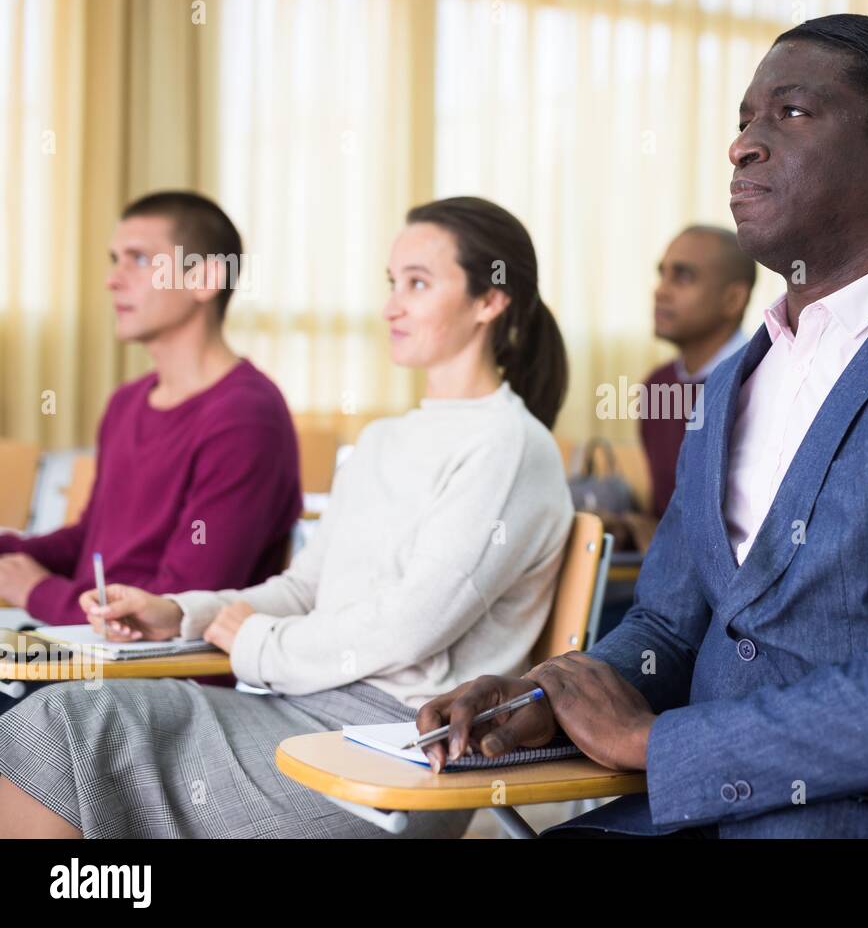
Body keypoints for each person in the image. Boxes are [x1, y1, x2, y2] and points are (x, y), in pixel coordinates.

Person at [416, 14, 868, 839]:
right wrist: (552, 696)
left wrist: (656, 741)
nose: (742, 146)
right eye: (744, 120)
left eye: (790, 113)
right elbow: (668, 624)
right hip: (720, 811)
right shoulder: (744, 369)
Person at [0, 197, 574, 838]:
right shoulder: (384, 440)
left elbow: (410, 627)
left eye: (417, 283)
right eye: (391, 283)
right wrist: (184, 612)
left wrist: (253, 645)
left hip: (395, 747)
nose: (391, 306)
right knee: (45, 723)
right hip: (297, 704)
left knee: (64, 730)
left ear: (489, 300)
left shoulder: (510, 447)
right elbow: (305, 590)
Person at [0, 192, 300, 624]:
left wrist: (35, 590)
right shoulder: (126, 402)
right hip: (86, 645)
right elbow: (92, 544)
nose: (113, 280)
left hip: (157, 672)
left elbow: (180, 603)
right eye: (114, 259)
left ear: (204, 279)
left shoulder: (246, 418)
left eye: (139, 260)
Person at [642, 225, 755, 520]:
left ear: (733, 299)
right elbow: (665, 511)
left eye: (683, 276)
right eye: (661, 274)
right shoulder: (657, 386)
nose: (660, 291)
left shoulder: (758, 381)